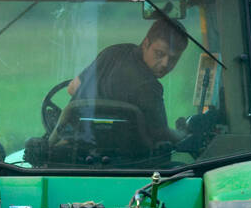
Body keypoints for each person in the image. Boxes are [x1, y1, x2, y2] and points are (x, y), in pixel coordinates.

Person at [65, 18, 188, 153]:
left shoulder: (113, 52)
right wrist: (185, 134)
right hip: (125, 162)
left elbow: (73, 87)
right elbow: (161, 134)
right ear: (146, 43)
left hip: (72, 148)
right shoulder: (149, 86)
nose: (165, 63)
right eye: (159, 54)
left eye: (173, 58)